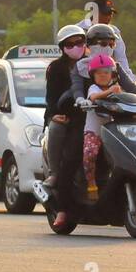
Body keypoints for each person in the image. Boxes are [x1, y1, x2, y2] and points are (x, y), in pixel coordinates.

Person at [43, 24, 86, 194]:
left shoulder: (93, 63)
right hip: (63, 113)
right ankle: (55, 173)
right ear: (62, 48)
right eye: (70, 44)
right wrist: (54, 115)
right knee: (56, 128)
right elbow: (51, 98)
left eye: (79, 42)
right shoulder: (55, 68)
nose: (76, 47)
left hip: (89, 113)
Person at [81, 53, 124, 202]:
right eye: (98, 73)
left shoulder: (117, 88)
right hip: (94, 132)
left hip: (113, 132)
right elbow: (93, 98)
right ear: (93, 76)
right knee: (89, 154)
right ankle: (91, 183)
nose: (103, 75)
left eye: (106, 72)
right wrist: (110, 92)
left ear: (112, 74)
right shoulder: (93, 88)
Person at [76, 0, 130, 75]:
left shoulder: (114, 31)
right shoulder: (78, 30)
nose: (109, 17)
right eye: (105, 13)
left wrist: (131, 82)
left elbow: (121, 59)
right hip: (81, 72)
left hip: (106, 73)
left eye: (111, 13)